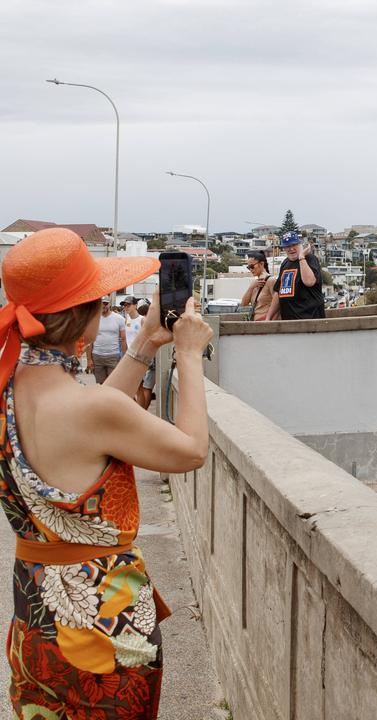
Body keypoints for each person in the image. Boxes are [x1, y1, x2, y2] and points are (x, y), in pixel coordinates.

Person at [0, 227, 212, 718]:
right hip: (103, 626)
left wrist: (146, 342)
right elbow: (191, 451)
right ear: (86, 313)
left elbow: (95, 418)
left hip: (35, 616)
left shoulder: (10, 391)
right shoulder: (89, 408)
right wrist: (188, 352)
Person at [268, 232, 325, 320]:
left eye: (294, 245)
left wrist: (301, 257)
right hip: (289, 322)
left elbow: (309, 282)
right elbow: (278, 292)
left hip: (310, 320)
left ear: (300, 244)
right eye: (287, 246)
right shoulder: (285, 263)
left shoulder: (310, 259)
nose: (291, 249)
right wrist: (268, 318)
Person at [88, 297, 127, 385]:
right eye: (101, 303)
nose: (103, 306)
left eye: (105, 303)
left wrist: (124, 357)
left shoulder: (119, 318)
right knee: (101, 384)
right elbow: (90, 340)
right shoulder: (94, 318)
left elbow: (123, 339)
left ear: (110, 304)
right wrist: (89, 359)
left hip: (113, 356)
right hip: (97, 356)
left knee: (113, 383)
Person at [240, 251, 274, 321]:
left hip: (266, 322)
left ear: (261, 264)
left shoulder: (270, 281)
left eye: (252, 266)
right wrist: (251, 287)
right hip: (256, 323)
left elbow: (278, 304)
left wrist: (268, 320)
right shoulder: (255, 283)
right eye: (248, 267)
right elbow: (243, 304)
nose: (250, 269)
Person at [135, 301, 157, 409]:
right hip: (152, 357)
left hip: (148, 356)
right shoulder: (152, 321)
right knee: (146, 387)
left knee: (145, 387)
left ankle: (142, 410)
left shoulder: (146, 321)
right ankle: (143, 410)